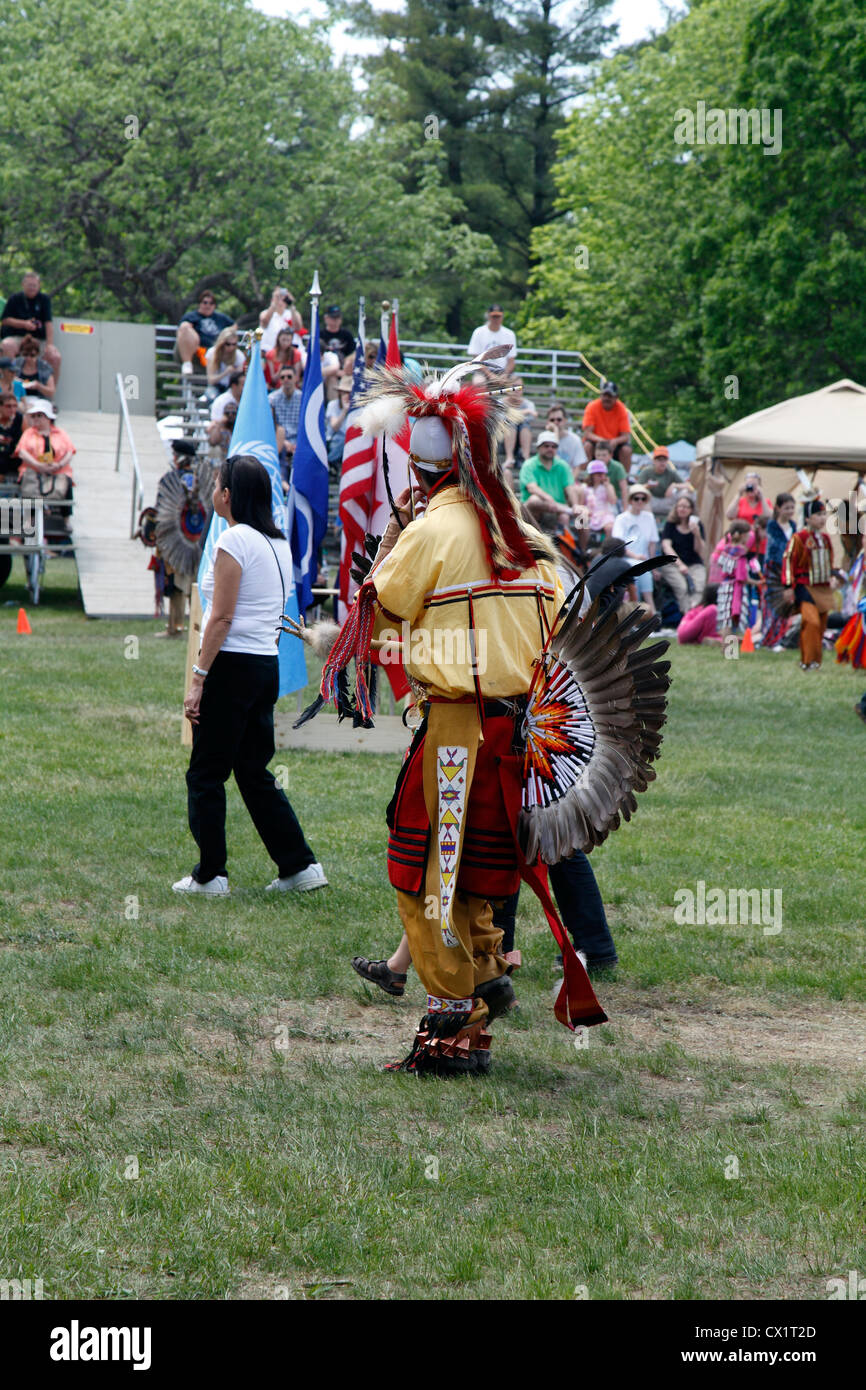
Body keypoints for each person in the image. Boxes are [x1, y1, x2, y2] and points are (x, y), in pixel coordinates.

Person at [323, 364, 606, 1074]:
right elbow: (571, 621)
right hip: (523, 733)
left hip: (457, 728)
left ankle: (457, 1018)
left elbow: (376, 609)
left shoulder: (434, 530)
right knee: (478, 875)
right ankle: (479, 989)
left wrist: (392, 541)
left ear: (421, 469)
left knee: (422, 876)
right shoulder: (530, 538)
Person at [176, 454, 326, 897]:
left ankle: (211, 876)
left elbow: (220, 618)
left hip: (233, 665)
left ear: (228, 494)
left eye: (218, 483)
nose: (213, 490)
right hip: (264, 665)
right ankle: (299, 866)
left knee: (205, 773)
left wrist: (199, 677)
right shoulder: (276, 542)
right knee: (253, 771)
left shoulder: (235, 540)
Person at [152, 438, 207, 638]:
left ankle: (175, 627)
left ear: (179, 458)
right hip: (200, 543)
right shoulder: (203, 481)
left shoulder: (170, 479)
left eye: (175, 455)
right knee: (197, 584)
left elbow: (159, 512)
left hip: (176, 543)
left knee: (176, 584)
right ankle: (198, 628)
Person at [781, 499, 837, 669]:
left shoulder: (825, 538)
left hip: (823, 587)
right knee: (811, 621)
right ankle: (808, 660)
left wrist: (833, 577)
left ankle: (813, 661)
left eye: (823, 514)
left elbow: (829, 562)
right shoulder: (799, 538)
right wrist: (788, 586)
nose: (822, 518)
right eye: (818, 514)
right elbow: (789, 560)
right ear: (807, 518)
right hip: (804, 585)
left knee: (820, 624)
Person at [14, 399, 75, 538]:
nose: (36, 419)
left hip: (58, 471)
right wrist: (38, 465)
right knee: (28, 485)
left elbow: (70, 451)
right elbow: (22, 452)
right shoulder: (28, 433)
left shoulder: (61, 433)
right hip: (32, 471)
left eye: (39, 415)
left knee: (67, 483)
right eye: (34, 416)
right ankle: (30, 521)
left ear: (48, 418)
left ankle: (66, 520)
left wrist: (58, 465)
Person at [1, 271, 61, 381]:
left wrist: (50, 345)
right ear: (23, 285)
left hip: (38, 340)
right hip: (18, 337)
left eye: (34, 285)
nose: (32, 288)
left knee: (55, 357)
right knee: (6, 345)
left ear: (39, 286)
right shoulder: (15, 299)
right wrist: (24, 324)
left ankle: (49, 392)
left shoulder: (44, 299)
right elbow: (5, 320)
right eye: (29, 285)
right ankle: (9, 386)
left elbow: (48, 323)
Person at [520, 430, 584, 530]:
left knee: (578, 514)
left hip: (557, 510)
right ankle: (568, 510)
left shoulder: (562, 465)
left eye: (554, 446)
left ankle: (577, 545)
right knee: (534, 500)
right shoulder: (529, 464)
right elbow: (532, 488)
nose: (550, 449)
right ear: (538, 448)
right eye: (546, 446)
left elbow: (570, 488)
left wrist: (575, 505)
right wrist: (548, 498)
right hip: (533, 510)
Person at [612, 485, 659, 615]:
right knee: (639, 576)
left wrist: (654, 566)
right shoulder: (621, 518)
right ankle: (646, 614)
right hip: (625, 560)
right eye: (636, 498)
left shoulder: (649, 517)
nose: (639, 501)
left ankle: (650, 615)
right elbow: (618, 545)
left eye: (643, 499)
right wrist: (636, 556)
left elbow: (652, 544)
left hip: (643, 561)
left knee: (646, 576)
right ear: (630, 500)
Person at [712, 520, 763, 635]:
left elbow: (721, 565)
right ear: (743, 535)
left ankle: (726, 648)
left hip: (724, 587)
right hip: (735, 590)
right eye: (748, 534)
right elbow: (742, 577)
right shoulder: (741, 552)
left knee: (725, 619)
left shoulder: (726, 548)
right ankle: (731, 652)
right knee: (731, 620)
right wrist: (758, 582)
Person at [761, 492, 797, 649]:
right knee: (772, 604)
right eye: (786, 508)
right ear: (778, 508)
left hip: (788, 570)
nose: (789, 511)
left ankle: (780, 637)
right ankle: (769, 638)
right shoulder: (772, 526)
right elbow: (778, 547)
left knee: (785, 604)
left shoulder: (794, 526)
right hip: (773, 569)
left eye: (792, 508)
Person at [661, 494, 707, 613]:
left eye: (686, 507)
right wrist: (680, 564)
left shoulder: (698, 525)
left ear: (691, 510)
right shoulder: (670, 524)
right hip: (672, 563)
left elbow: (700, 551)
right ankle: (687, 616)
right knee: (682, 587)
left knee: (699, 587)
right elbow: (666, 546)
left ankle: (694, 612)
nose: (682, 509)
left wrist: (696, 533)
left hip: (694, 562)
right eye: (680, 506)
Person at [176, 291, 235, 375]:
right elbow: (182, 331)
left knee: (230, 341)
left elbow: (234, 326)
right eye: (205, 302)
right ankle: (187, 364)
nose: (208, 305)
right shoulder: (191, 316)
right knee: (184, 326)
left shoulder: (220, 318)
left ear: (214, 305)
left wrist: (225, 335)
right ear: (200, 303)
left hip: (216, 354)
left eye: (211, 303)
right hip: (197, 353)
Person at [581, 380, 632, 472]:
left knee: (626, 449)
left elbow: (625, 436)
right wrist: (602, 441)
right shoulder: (592, 406)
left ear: (616, 397)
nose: (606, 398)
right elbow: (587, 433)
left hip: (614, 445)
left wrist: (614, 441)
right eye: (604, 395)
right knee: (587, 446)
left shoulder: (621, 409)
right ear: (601, 395)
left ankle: (625, 478)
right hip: (596, 442)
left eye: (610, 396)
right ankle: (584, 477)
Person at [835, 528, 866, 670]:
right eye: (864, 537)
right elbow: (854, 576)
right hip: (861, 600)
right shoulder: (861, 556)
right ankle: (859, 659)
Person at [268, 365, 301, 483]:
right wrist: (284, 442)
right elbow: (270, 426)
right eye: (282, 377)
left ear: (295, 378)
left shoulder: (303, 398)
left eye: (289, 376)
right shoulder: (271, 399)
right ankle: (283, 484)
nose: (286, 379)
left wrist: (296, 444)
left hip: (298, 443)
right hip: (279, 442)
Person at [726, 470, 771, 551]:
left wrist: (762, 497)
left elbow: (769, 518)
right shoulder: (740, 501)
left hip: (760, 546)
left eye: (754, 486)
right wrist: (739, 494)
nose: (751, 488)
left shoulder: (766, 502)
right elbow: (729, 515)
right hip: (742, 544)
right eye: (748, 485)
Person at [467, 304, 517, 375]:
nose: (496, 319)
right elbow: (476, 359)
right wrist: (489, 375)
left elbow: (511, 361)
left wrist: (505, 375)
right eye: (494, 316)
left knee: (518, 383)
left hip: (503, 371)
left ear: (502, 317)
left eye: (498, 316)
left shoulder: (510, 334)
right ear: (488, 316)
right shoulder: (478, 332)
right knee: (478, 382)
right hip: (482, 371)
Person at [636, 445, 681, 518]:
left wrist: (674, 485)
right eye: (659, 459)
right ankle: (649, 523)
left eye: (664, 459)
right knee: (640, 495)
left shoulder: (671, 472)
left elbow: (688, 485)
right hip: (651, 502)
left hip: (667, 501)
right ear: (654, 461)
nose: (662, 462)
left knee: (686, 494)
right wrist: (647, 486)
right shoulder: (646, 471)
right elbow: (636, 488)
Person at [583, 451, 618, 541]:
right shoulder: (585, 488)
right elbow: (582, 503)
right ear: (592, 475)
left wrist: (607, 486)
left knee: (610, 527)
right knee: (582, 524)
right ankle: (583, 550)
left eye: (602, 474)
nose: (601, 476)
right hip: (590, 514)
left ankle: (606, 548)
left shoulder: (608, 486)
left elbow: (613, 501)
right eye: (598, 474)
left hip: (605, 514)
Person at [502, 375, 536, 468]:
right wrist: (526, 412)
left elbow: (532, 418)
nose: (517, 390)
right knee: (511, 423)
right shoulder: (500, 403)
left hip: (523, 436)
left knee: (524, 425)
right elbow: (502, 418)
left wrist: (515, 415)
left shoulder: (528, 404)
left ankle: (526, 458)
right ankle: (509, 457)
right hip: (503, 441)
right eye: (514, 386)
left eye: (519, 387)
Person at [545, 403, 587, 474]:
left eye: (559, 419)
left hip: (568, 479)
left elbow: (578, 467)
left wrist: (570, 483)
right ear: (548, 422)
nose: (555, 422)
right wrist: (555, 430)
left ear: (565, 420)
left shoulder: (575, 439)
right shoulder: (544, 439)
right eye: (552, 420)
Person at [259, 287, 302, 353]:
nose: (280, 301)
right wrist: (274, 302)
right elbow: (264, 323)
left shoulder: (293, 313)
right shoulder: (264, 313)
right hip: (268, 351)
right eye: (278, 297)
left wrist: (291, 303)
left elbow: (298, 328)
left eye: (283, 298)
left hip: (290, 352)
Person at [205, 327, 244, 399]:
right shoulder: (212, 353)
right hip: (215, 386)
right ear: (222, 343)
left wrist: (236, 372)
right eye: (228, 344)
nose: (231, 347)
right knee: (212, 397)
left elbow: (240, 380)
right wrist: (226, 372)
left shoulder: (239, 355)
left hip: (230, 387)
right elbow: (211, 380)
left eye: (234, 344)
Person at [12, 334, 55, 400]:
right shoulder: (16, 363)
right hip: (19, 398)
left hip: (39, 399)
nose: (28, 358)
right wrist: (15, 380)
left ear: (38, 354)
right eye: (25, 355)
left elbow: (51, 392)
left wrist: (39, 386)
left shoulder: (44, 367)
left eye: (32, 355)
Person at [325, 373, 353, 470]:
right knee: (343, 440)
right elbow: (334, 426)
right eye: (344, 392)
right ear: (340, 393)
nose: (347, 396)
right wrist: (345, 411)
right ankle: (328, 462)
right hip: (334, 440)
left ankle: (330, 463)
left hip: (350, 440)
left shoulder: (356, 408)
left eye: (350, 393)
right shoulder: (333, 404)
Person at [0, 392, 23, 477]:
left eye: (15, 406)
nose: (12, 409)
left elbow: (27, 436)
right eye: (8, 406)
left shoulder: (19, 418)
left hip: (13, 453)